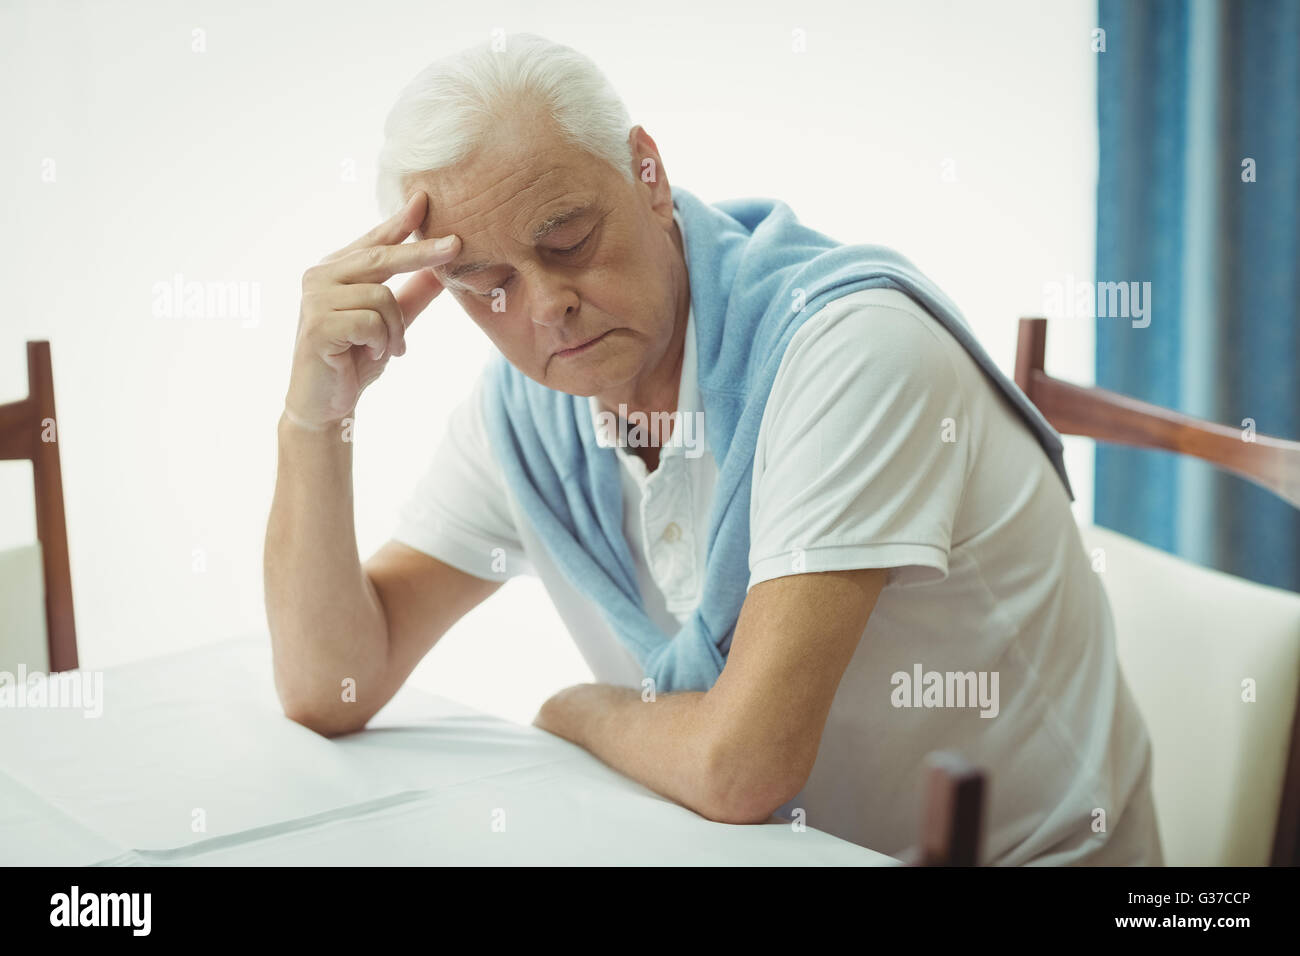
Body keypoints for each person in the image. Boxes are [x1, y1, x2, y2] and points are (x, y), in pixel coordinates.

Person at [264, 33, 1163, 866]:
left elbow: (743, 768)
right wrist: (314, 417)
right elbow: (331, 685)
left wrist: (576, 711)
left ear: (648, 172)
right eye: (487, 284)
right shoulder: (526, 419)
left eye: (568, 239)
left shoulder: (851, 351)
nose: (544, 306)